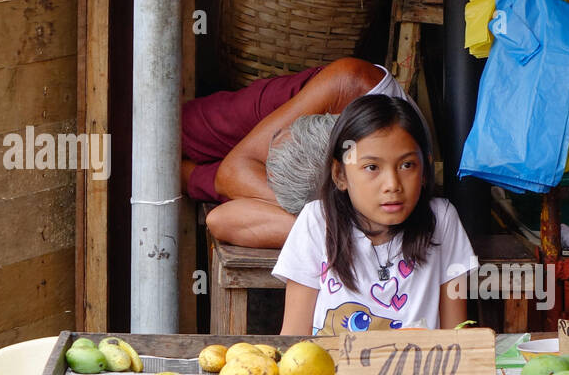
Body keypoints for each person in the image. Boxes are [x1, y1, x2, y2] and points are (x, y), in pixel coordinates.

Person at [273, 95, 476, 335]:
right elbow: (294, 338)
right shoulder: (318, 221)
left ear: (425, 170)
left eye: (407, 165)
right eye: (372, 167)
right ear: (340, 175)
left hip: (418, 370)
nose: (392, 185)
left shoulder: (441, 219)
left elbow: (456, 335)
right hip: (332, 371)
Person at [181, 58, 418, 248]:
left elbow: (223, 214)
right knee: (176, 129)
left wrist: (326, 221)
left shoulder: (397, 198)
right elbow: (231, 174)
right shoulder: (351, 83)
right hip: (304, 104)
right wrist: (332, 218)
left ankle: (184, 177)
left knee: (192, 179)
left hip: (327, 188)